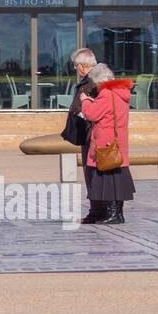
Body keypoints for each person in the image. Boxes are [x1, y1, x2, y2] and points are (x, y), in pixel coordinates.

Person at [78, 63, 135, 225]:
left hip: (105, 143)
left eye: (95, 83)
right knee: (117, 180)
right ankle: (118, 213)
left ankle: (112, 214)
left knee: (107, 181)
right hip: (118, 143)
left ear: (100, 81)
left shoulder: (107, 94)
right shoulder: (121, 93)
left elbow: (91, 114)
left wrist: (86, 101)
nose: (95, 86)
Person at [62, 48, 103, 222]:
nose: (76, 69)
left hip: (91, 133)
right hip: (90, 132)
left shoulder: (93, 81)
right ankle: (98, 210)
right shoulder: (94, 79)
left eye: (76, 66)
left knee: (93, 172)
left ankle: (97, 211)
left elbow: (93, 108)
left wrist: (81, 110)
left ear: (82, 66)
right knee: (92, 172)